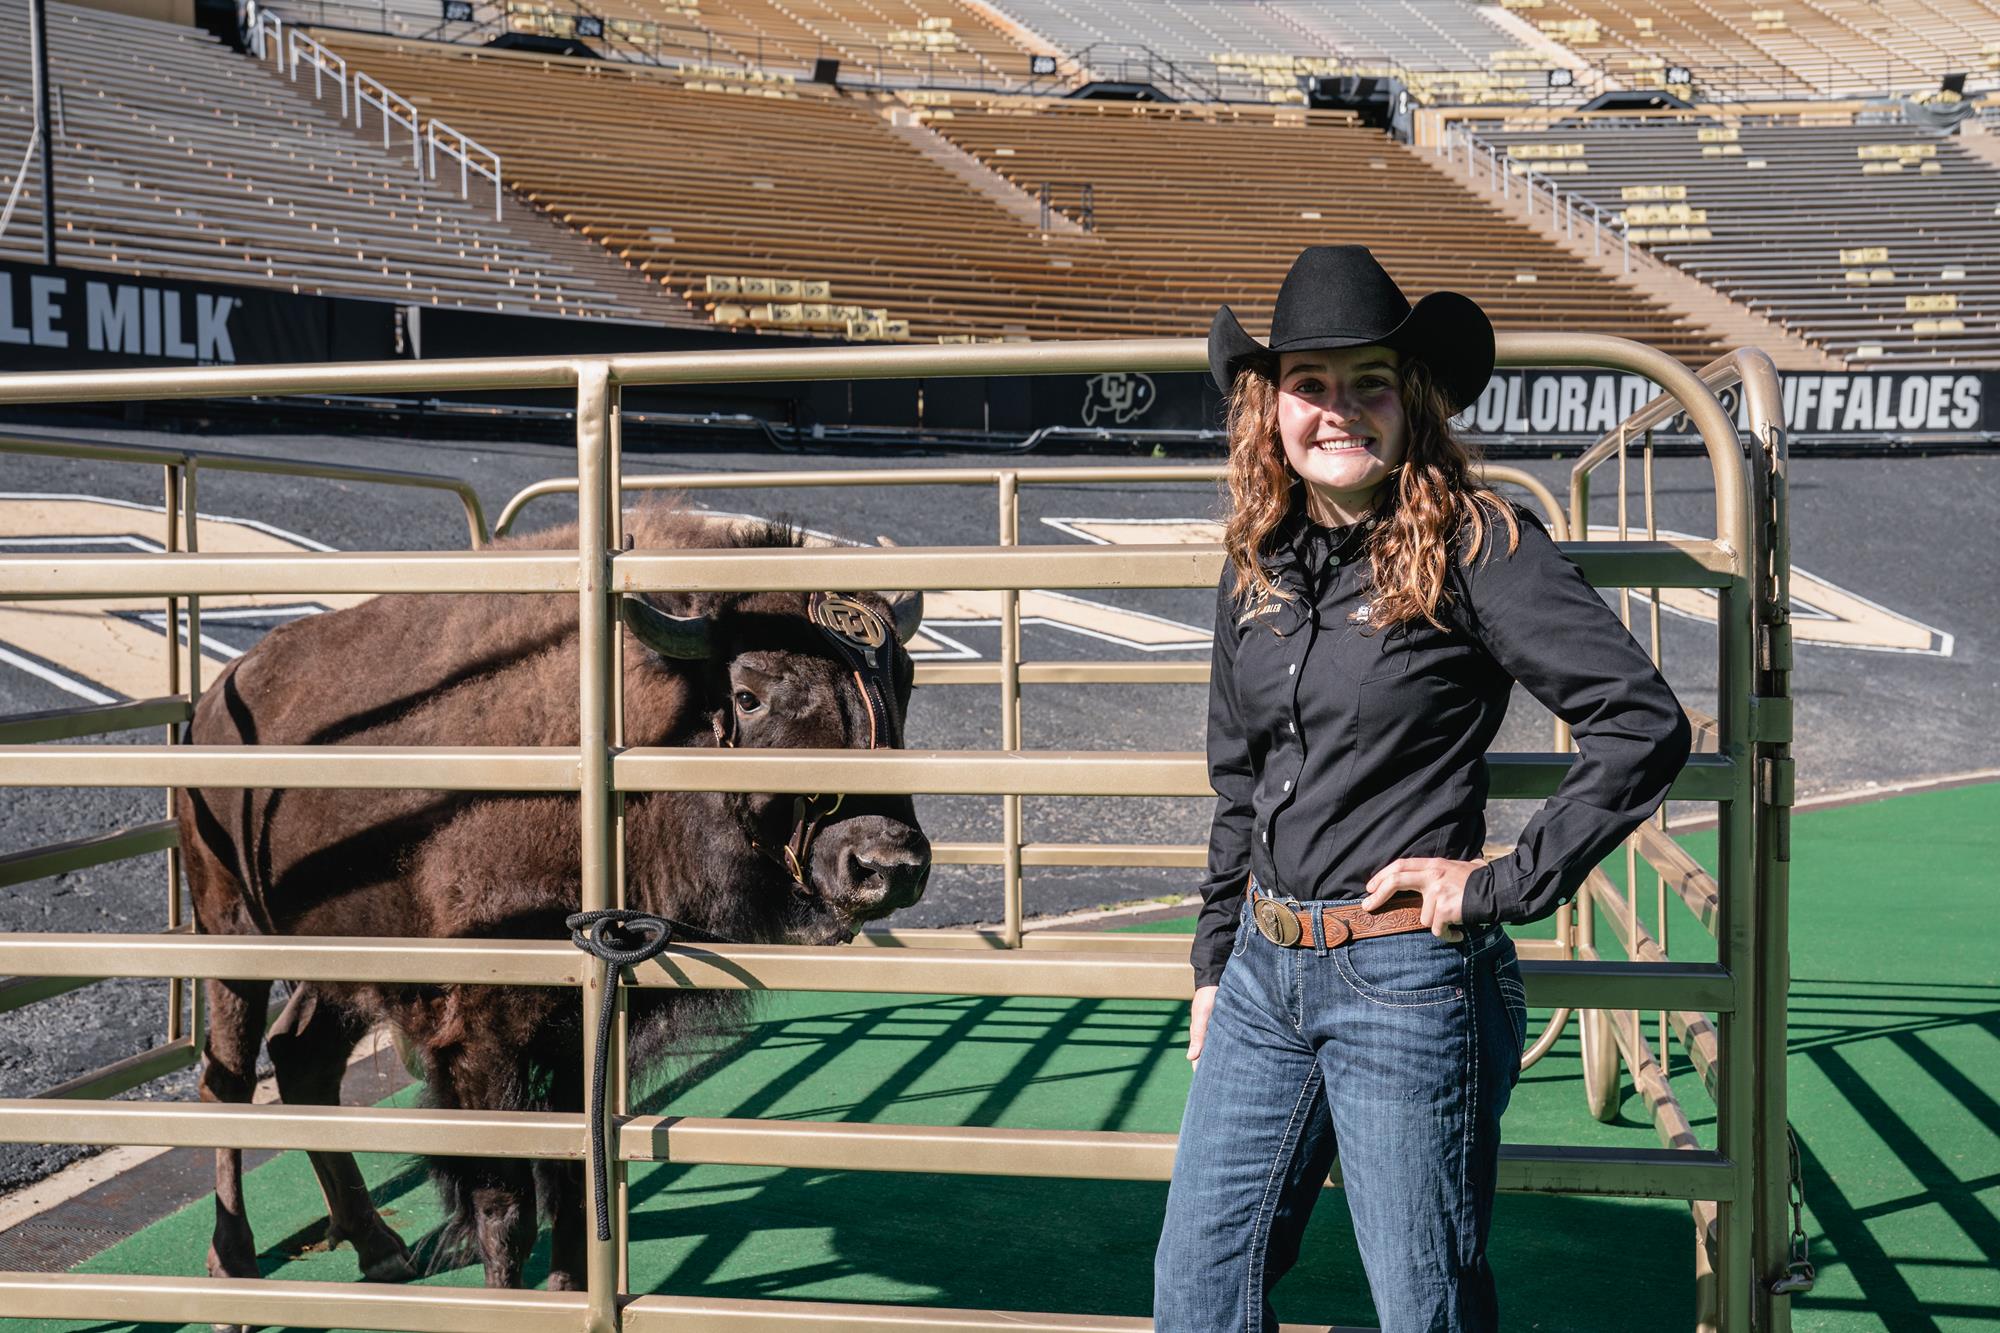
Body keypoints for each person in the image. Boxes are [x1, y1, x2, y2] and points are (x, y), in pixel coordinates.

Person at [1151, 246, 1693, 1333]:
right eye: (1309, 384)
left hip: (1401, 978)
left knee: (1424, 1307)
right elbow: (1237, 776)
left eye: (1368, 381)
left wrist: (1496, 885)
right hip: (1261, 976)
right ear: (1271, 406)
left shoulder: (1475, 542)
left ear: (1410, 399)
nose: (1335, 410)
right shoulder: (1254, 557)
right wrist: (1213, 961)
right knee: (1197, 1292)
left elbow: (1641, 723)